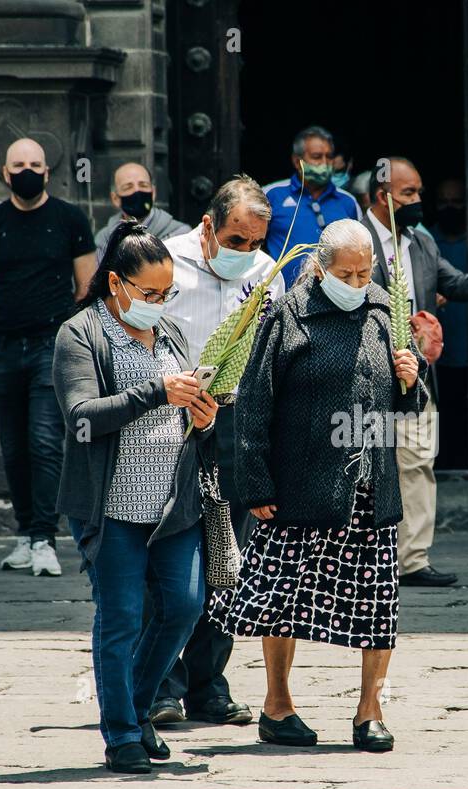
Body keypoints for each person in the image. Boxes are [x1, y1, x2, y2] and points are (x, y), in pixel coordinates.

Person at [209, 218, 426, 752]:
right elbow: (254, 406)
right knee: (283, 599)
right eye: (346, 273)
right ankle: (277, 706)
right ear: (321, 268)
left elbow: (408, 405)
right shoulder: (289, 314)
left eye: (365, 271)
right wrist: (256, 484)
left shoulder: (384, 310)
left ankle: (369, 711)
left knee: (377, 602)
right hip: (300, 482)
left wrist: (412, 375)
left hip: (370, 484)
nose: (357, 283)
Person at [53, 221, 220, 774]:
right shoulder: (80, 334)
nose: (158, 302)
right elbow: (81, 418)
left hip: (172, 505)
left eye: (166, 293)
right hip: (113, 505)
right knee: (121, 617)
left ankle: (140, 704)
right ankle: (121, 732)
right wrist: (156, 392)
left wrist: (201, 413)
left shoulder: (168, 332)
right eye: (149, 293)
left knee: (185, 606)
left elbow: (183, 405)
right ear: (116, 284)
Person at [148, 174, 285, 727]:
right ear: (209, 226)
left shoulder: (265, 273)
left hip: (235, 423)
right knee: (171, 558)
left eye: (254, 243)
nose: (245, 253)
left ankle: (208, 682)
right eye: (234, 241)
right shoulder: (166, 262)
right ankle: (159, 682)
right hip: (170, 420)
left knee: (230, 560)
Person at [365, 156, 468, 586]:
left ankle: (411, 561)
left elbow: (457, 285)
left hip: (416, 373)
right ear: (382, 196)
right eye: (408, 194)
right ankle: (364, 560)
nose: (418, 201)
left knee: (417, 463)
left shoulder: (422, 242)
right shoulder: (352, 239)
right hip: (367, 374)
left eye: (419, 192)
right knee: (364, 465)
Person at [0, 137, 97, 577]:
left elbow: (88, 286)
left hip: (52, 343)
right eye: (19, 164)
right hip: (3, 346)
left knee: (45, 442)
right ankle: (25, 533)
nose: (28, 170)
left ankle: (45, 537)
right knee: (13, 447)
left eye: (36, 163)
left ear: (47, 171)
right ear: (6, 173)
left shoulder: (69, 219)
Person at [262, 126, 360, 288]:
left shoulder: (348, 202)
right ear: (296, 160)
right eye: (316, 157)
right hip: (281, 296)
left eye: (329, 157)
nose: (325, 163)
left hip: (335, 300)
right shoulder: (272, 195)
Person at [431, 177, 468, 470]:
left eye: (457, 202)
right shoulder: (427, 242)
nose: (450, 208)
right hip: (439, 357)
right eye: (444, 202)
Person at [93, 162, 191, 260]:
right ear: (115, 198)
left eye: (143, 185)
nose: (137, 190)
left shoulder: (180, 234)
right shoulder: (104, 240)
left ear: (153, 193)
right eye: (128, 187)